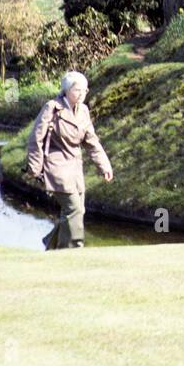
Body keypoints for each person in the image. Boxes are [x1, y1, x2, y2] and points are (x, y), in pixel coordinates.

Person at [27, 70, 114, 250]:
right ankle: (73, 250)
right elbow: (35, 138)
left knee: (76, 210)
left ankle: (52, 244)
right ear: (66, 90)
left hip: (75, 168)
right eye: (77, 90)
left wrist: (104, 165)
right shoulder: (52, 108)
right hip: (56, 166)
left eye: (84, 91)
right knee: (74, 209)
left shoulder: (83, 110)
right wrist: (34, 167)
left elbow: (91, 141)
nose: (81, 94)